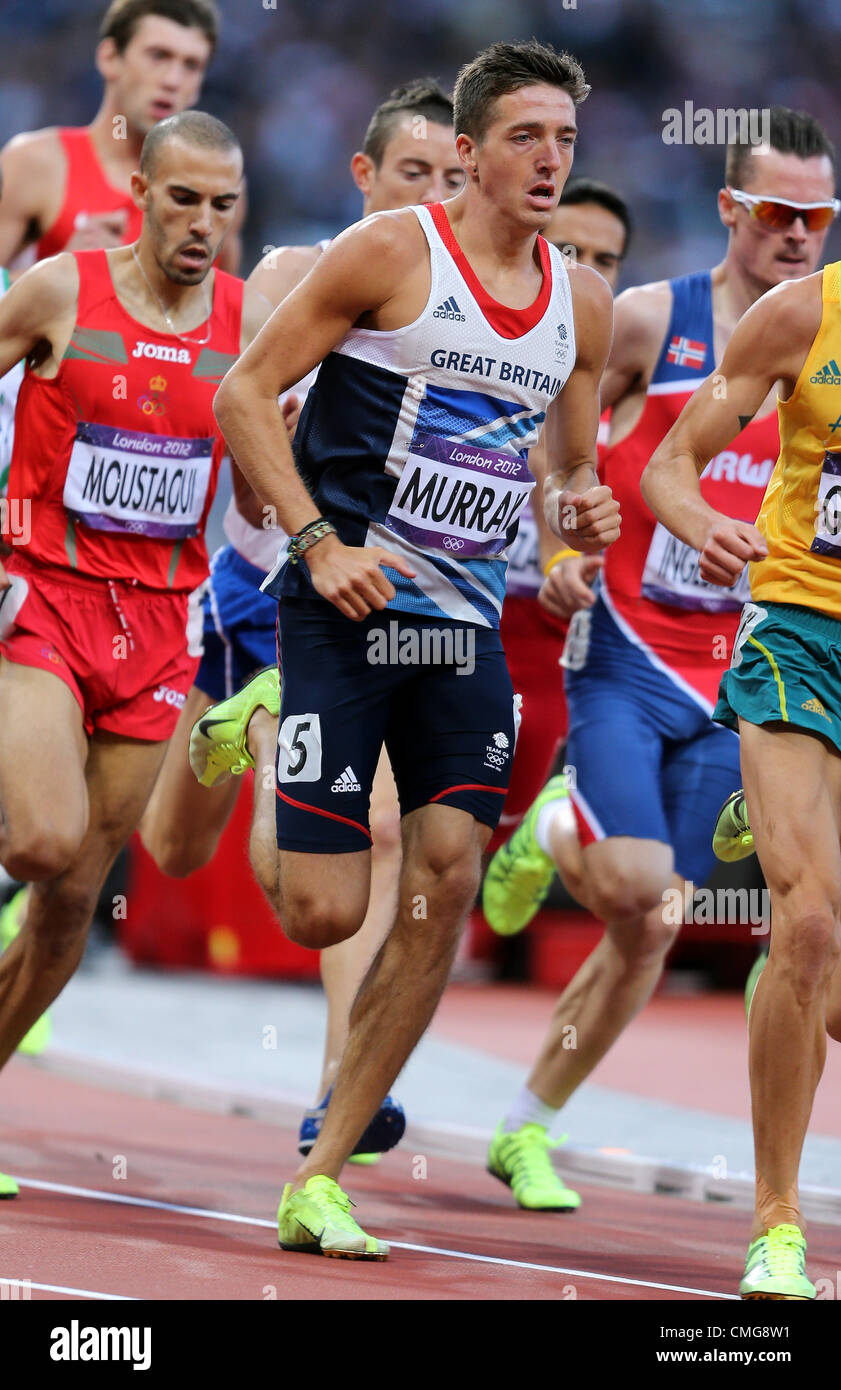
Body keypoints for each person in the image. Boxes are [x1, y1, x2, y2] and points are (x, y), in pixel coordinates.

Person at [202, 38, 619, 1260]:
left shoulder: (578, 303)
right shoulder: (394, 252)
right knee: (327, 914)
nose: (551, 162)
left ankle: (324, 1170)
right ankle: (264, 717)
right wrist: (321, 542)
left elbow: (567, 469)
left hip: (461, 626)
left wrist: (577, 519)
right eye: (529, 139)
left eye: (567, 142)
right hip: (337, 607)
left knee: (439, 881)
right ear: (472, 153)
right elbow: (242, 394)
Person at [481, 107, 836, 1221]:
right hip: (630, 649)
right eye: (775, 213)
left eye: (815, 218)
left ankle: (524, 1127)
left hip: (742, 665)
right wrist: (555, 536)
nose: (795, 235)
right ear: (731, 208)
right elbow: (558, 433)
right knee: (637, 885)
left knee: (656, 921)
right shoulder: (650, 320)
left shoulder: (817, 338)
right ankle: (550, 826)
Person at [139, 80, 464, 1163]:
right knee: (174, 850)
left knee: (365, 836)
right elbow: (235, 422)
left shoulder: (478, 313)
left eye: (451, 177)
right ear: (365, 178)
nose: (436, 195)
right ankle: (247, 730)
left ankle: (342, 1086)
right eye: (412, 174)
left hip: (355, 609)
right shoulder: (291, 275)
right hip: (252, 586)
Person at [0, 111, 266, 1200]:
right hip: (45, 596)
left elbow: (260, 487)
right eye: (183, 199)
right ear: (140, 195)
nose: (202, 224)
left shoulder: (252, 324)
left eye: (223, 205)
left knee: (75, 892)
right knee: (40, 841)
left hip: (162, 624)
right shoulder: (62, 289)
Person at [641, 180, 841, 1305]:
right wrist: (699, 521)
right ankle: (775, 1221)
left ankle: (772, 813)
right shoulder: (799, 316)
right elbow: (673, 459)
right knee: (803, 923)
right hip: (799, 635)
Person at [491, 179, 631, 857]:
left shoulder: (623, 382)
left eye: (605, 261)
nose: (585, 270)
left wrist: (567, 561)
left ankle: (544, 828)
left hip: (549, 635)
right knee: (412, 823)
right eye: (570, 249)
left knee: (490, 832)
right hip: (453, 618)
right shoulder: (478, 344)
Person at [0, 0, 243, 274]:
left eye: (191, 65)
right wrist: (58, 273)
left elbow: (226, 310)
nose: (173, 80)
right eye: (158, 56)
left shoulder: (219, 187)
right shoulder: (35, 163)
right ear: (110, 58)